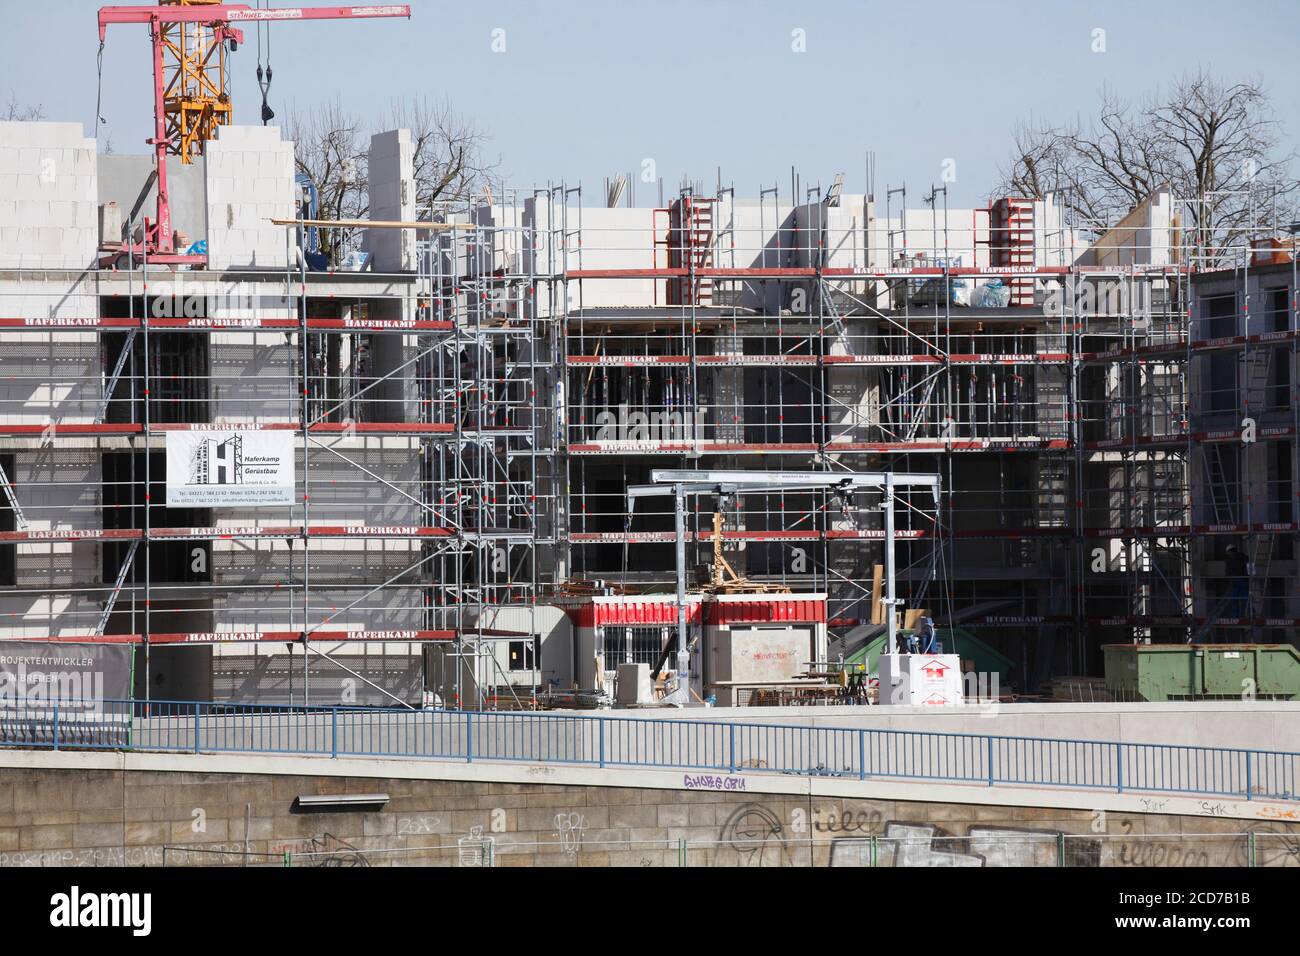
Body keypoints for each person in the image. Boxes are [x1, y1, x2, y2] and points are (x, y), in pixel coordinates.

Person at [1224, 545, 1250, 620]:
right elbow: (1249, 568)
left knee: (1235, 599)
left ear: (1229, 551)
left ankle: (1235, 616)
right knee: (1246, 599)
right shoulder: (1244, 557)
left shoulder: (1229, 560)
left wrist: (1228, 580)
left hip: (1234, 581)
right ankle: (1249, 614)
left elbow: (1227, 573)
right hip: (1244, 580)